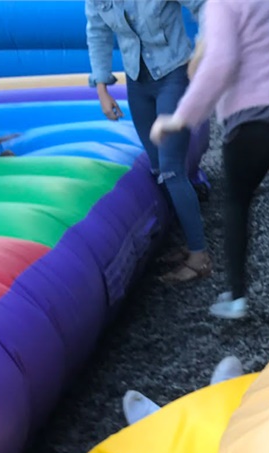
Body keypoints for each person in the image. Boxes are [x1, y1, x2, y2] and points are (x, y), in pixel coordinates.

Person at [151, 0, 269, 319]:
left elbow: (220, 61)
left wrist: (181, 118)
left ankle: (237, 298)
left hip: (247, 128)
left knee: (237, 206)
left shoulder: (222, 5)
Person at [86, 0, 211, 285]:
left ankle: (200, 256)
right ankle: (186, 240)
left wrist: (202, 53)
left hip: (174, 74)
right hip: (137, 80)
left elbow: (204, 7)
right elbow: (97, 32)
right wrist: (102, 88)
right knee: (157, 167)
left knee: (171, 168)